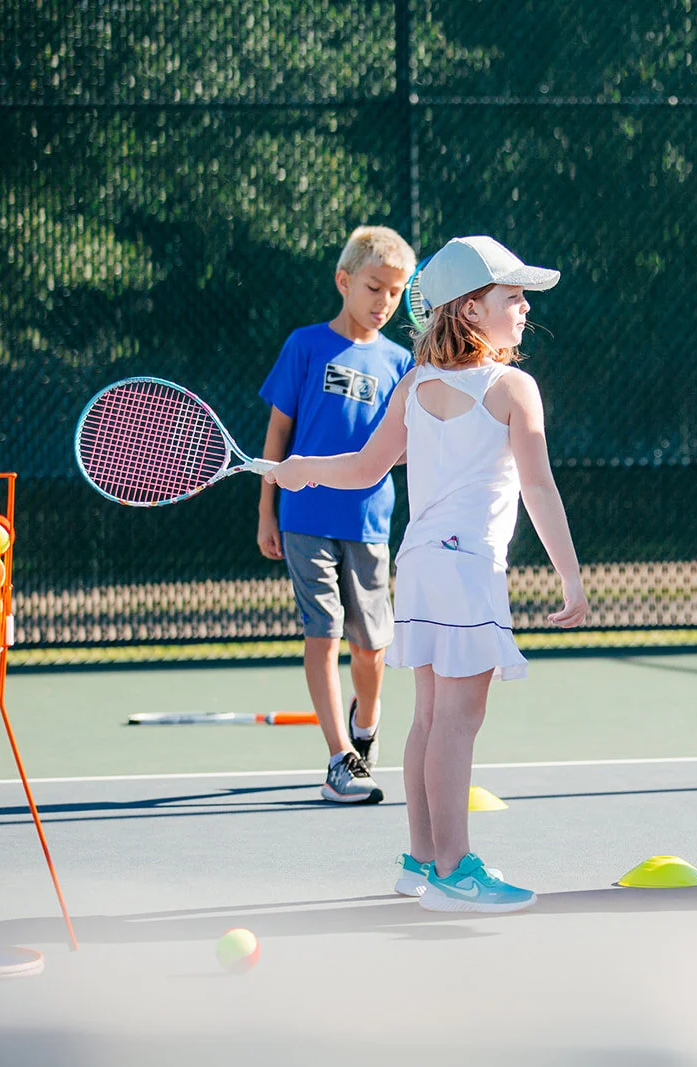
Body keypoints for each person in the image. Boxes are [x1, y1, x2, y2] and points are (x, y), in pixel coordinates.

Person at [267, 235, 587, 913]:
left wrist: (304, 470)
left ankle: (418, 859)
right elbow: (541, 488)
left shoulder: (415, 383)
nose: (525, 307)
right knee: (458, 723)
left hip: (415, 566)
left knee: (428, 719)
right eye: (512, 297)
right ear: (470, 311)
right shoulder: (513, 389)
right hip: (468, 569)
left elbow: (361, 467)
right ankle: (453, 868)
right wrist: (571, 576)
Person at [257, 225, 417, 805]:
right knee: (322, 634)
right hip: (303, 517)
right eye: (375, 287)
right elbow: (279, 432)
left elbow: (402, 448)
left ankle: (365, 727)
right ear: (344, 281)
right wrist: (266, 510)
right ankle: (338, 758)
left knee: (372, 648)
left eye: (396, 293)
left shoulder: (403, 362)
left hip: (371, 521)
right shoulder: (304, 346)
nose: (384, 302)